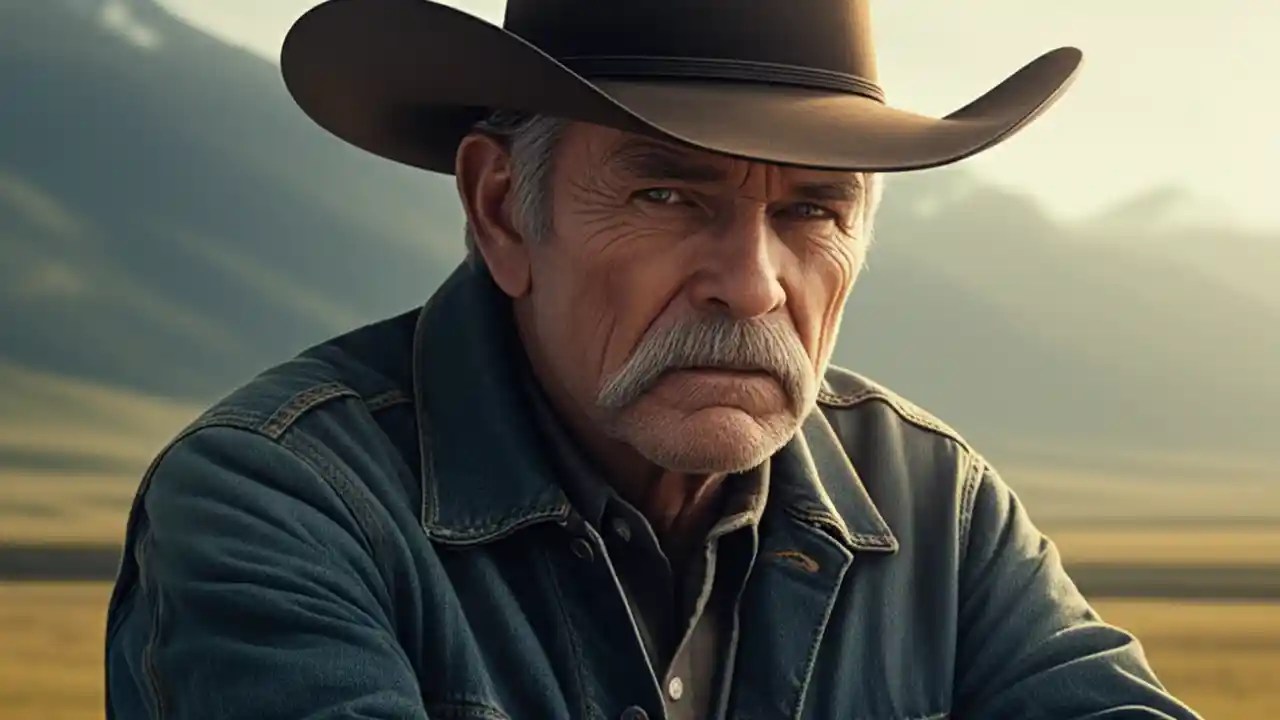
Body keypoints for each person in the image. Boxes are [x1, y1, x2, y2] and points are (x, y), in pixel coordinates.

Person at [104, 1, 1202, 718]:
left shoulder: (934, 508)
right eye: (668, 193)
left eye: (813, 208)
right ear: (500, 209)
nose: (754, 282)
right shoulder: (280, 500)